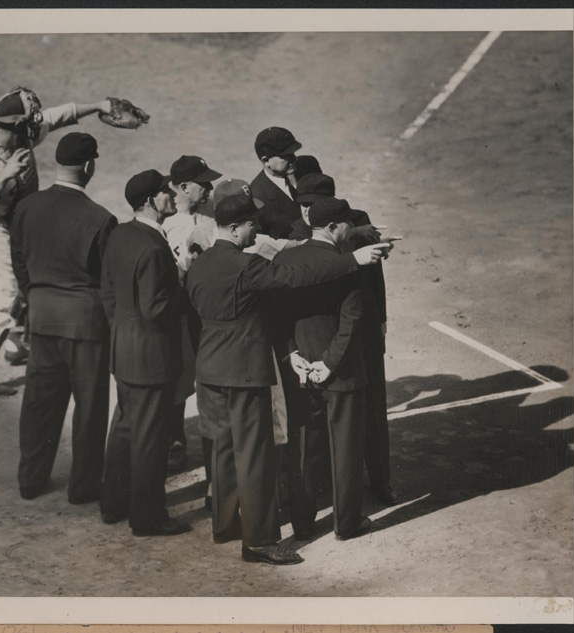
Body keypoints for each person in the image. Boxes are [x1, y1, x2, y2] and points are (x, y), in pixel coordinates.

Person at [186, 193, 390, 565]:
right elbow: (297, 275)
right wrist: (352, 260)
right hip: (244, 368)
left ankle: (224, 524)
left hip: (209, 366)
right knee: (255, 455)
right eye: (252, 225)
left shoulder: (198, 265)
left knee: (223, 448)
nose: (256, 231)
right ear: (234, 228)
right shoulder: (245, 266)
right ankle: (260, 541)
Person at [0, 86, 114, 397]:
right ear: (16, 125)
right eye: (30, 120)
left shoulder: (19, 136)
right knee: (2, 303)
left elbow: (57, 117)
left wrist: (99, 105)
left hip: (11, 229)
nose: (37, 124)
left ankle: (16, 346)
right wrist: (5, 175)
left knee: (26, 283)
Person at [10, 132, 117, 503]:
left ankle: (30, 480)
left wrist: (36, 297)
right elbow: (108, 282)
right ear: (88, 166)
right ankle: (83, 488)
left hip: (42, 318)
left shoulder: (26, 208)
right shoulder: (101, 219)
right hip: (86, 325)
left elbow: (19, 263)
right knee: (89, 410)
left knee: (39, 403)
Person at [291, 172, 399, 506]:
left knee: (371, 412)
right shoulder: (301, 234)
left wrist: (380, 319)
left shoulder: (355, 223)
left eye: (312, 205)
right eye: (304, 204)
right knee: (326, 420)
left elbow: (374, 279)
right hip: (324, 337)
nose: (307, 212)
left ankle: (379, 481)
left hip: (360, 332)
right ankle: (329, 486)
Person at [274, 197, 376, 540]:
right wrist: (330, 363)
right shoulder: (347, 264)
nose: (351, 227)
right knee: (345, 450)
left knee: (303, 449)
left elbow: (280, 317)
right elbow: (351, 320)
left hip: (301, 369)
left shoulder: (287, 259)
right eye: (346, 223)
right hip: (341, 370)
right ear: (332, 228)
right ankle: (346, 523)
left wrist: (294, 355)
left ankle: (303, 524)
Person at [100, 170, 192, 537]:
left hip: (124, 351)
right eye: (164, 192)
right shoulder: (154, 248)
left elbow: (108, 292)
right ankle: (147, 517)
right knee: (150, 439)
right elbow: (158, 309)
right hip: (152, 358)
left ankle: (113, 504)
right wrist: (186, 289)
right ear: (150, 202)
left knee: (124, 429)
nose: (171, 195)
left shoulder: (121, 234)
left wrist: (124, 329)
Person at [162, 156, 222, 473]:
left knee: (210, 380)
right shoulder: (164, 221)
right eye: (203, 182)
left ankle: (213, 446)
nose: (210, 186)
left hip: (209, 313)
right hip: (180, 314)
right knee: (179, 380)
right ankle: (174, 440)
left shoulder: (211, 216)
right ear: (184, 186)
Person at [249, 127, 303, 240]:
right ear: (266, 161)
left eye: (292, 153)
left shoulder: (304, 169)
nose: (294, 159)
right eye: (285, 156)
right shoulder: (257, 196)